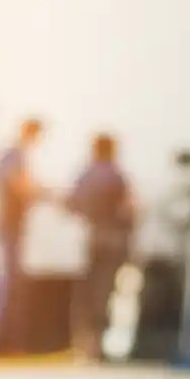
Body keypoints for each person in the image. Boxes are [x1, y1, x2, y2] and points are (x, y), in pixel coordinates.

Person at [63, 132, 135, 362]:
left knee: (83, 295)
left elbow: (70, 204)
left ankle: (82, 346)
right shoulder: (116, 175)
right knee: (103, 292)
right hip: (112, 241)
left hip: (86, 241)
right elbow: (128, 210)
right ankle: (97, 347)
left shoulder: (84, 175)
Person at [0, 117, 47, 355]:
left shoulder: (15, 155)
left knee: (12, 283)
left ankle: (5, 343)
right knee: (6, 283)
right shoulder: (13, 154)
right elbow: (18, 185)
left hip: (12, 226)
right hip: (8, 225)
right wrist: (43, 193)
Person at [160, 149, 190, 357]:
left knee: (189, 297)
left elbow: (189, 215)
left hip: (189, 247)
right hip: (187, 247)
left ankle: (188, 343)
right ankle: (187, 342)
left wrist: (179, 227)